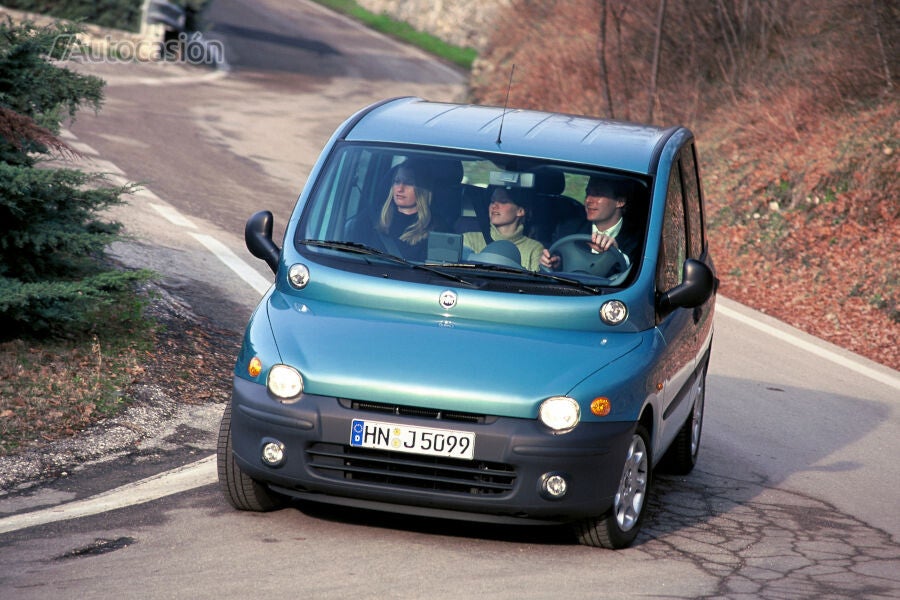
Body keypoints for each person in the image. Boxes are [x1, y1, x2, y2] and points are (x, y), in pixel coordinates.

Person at [539, 175, 638, 271]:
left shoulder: (639, 239)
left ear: (620, 201)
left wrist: (617, 254)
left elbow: (636, 274)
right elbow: (555, 258)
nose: (587, 200)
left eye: (597, 194)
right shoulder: (567, 229)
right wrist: (554, 262)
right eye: (587, 193)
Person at [463, 186, 545, 271]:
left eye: (503, 201)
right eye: (492, 201)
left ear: (520, 211)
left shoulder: (534, 248)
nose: (494, 206)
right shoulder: (468, 239)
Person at [372, 160, 441, 261]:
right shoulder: (372, 219)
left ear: (422, 190)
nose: (400, 188)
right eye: (397, 181)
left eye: (408, 183)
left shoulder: (436, 230)